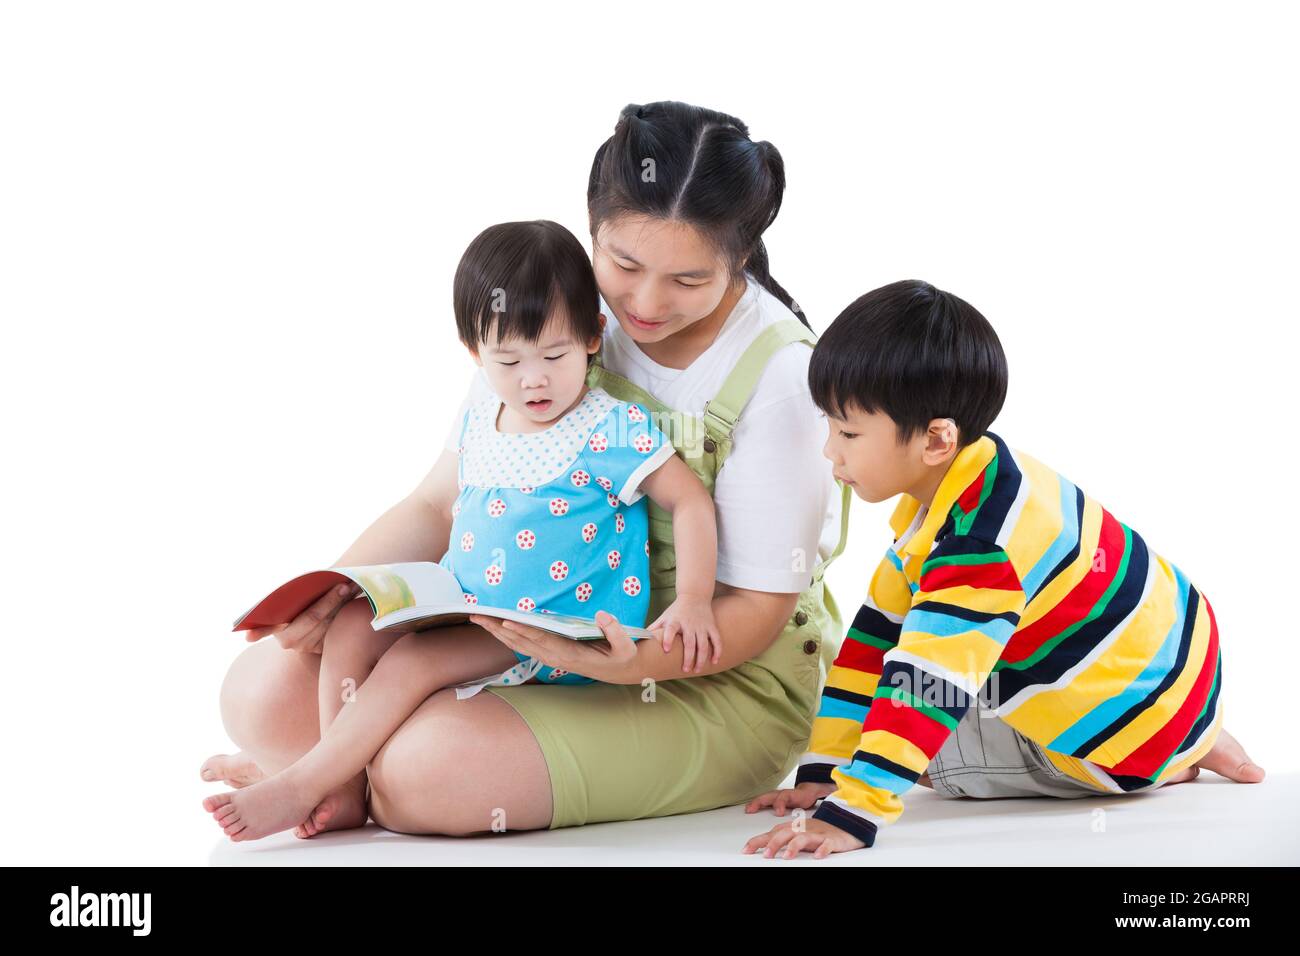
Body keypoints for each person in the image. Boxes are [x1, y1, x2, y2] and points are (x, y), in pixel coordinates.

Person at [202, 100, 852, 840]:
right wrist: (338, 591)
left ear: (739, 260)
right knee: (260, 695)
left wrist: (621, 665)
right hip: (525, 616)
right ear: (592, 223)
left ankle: (337, 772)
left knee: (426, 772)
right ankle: (338, 772)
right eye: (625, 264)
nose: (644, 302)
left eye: (688, 281)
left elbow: (754, 611)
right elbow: (438, 502)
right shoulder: (547, 315)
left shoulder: (778, 379)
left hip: (698, 668)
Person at [203, 219, 720, 842]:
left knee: (411, 663)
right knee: (350, 625)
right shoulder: (483, 416)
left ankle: (302, 780)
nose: (534, 379)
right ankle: (337, 785)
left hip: (547, 629)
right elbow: (433, 506)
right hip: (470, 608)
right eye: (509, 360)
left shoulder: (611, 427)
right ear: (474, 352)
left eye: (555, 355)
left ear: (591, 336)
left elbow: (690, 502)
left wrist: (693, 600)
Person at [743, 279, 1266, 859]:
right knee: (909, 677)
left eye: (847, 432)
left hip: (1121, 735)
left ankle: (1156, 763)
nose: (829, 451)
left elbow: (927, 688)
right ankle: (1185, 735)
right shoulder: (986, 472)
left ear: (936, 440)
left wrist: (850, 810)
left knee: (916, 748)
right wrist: (824, 768)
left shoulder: (978, 551)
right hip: (1178, 669)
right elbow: (876, 634)